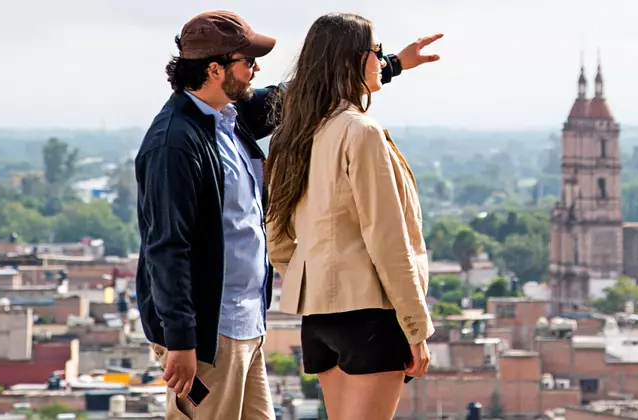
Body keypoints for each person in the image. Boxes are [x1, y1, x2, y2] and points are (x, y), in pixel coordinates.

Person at [135, 9, 440, 419]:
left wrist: (393, 64)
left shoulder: (231, 118)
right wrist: (181, 341)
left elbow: (315, 88)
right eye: (247, 62)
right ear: (214, 69)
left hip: (248, 325)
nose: (256, 70)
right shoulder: (174, 143)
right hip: (208, 335)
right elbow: (167, 249)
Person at [264, 12, 439, 420]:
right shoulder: (360, 132)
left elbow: (276, 233)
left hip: (319, 319)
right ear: (350, 61)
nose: (381, 60)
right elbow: (387, 237)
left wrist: (313, 281)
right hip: (371, 316)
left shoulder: (295, 131)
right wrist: (416, 328)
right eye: (376, 52)